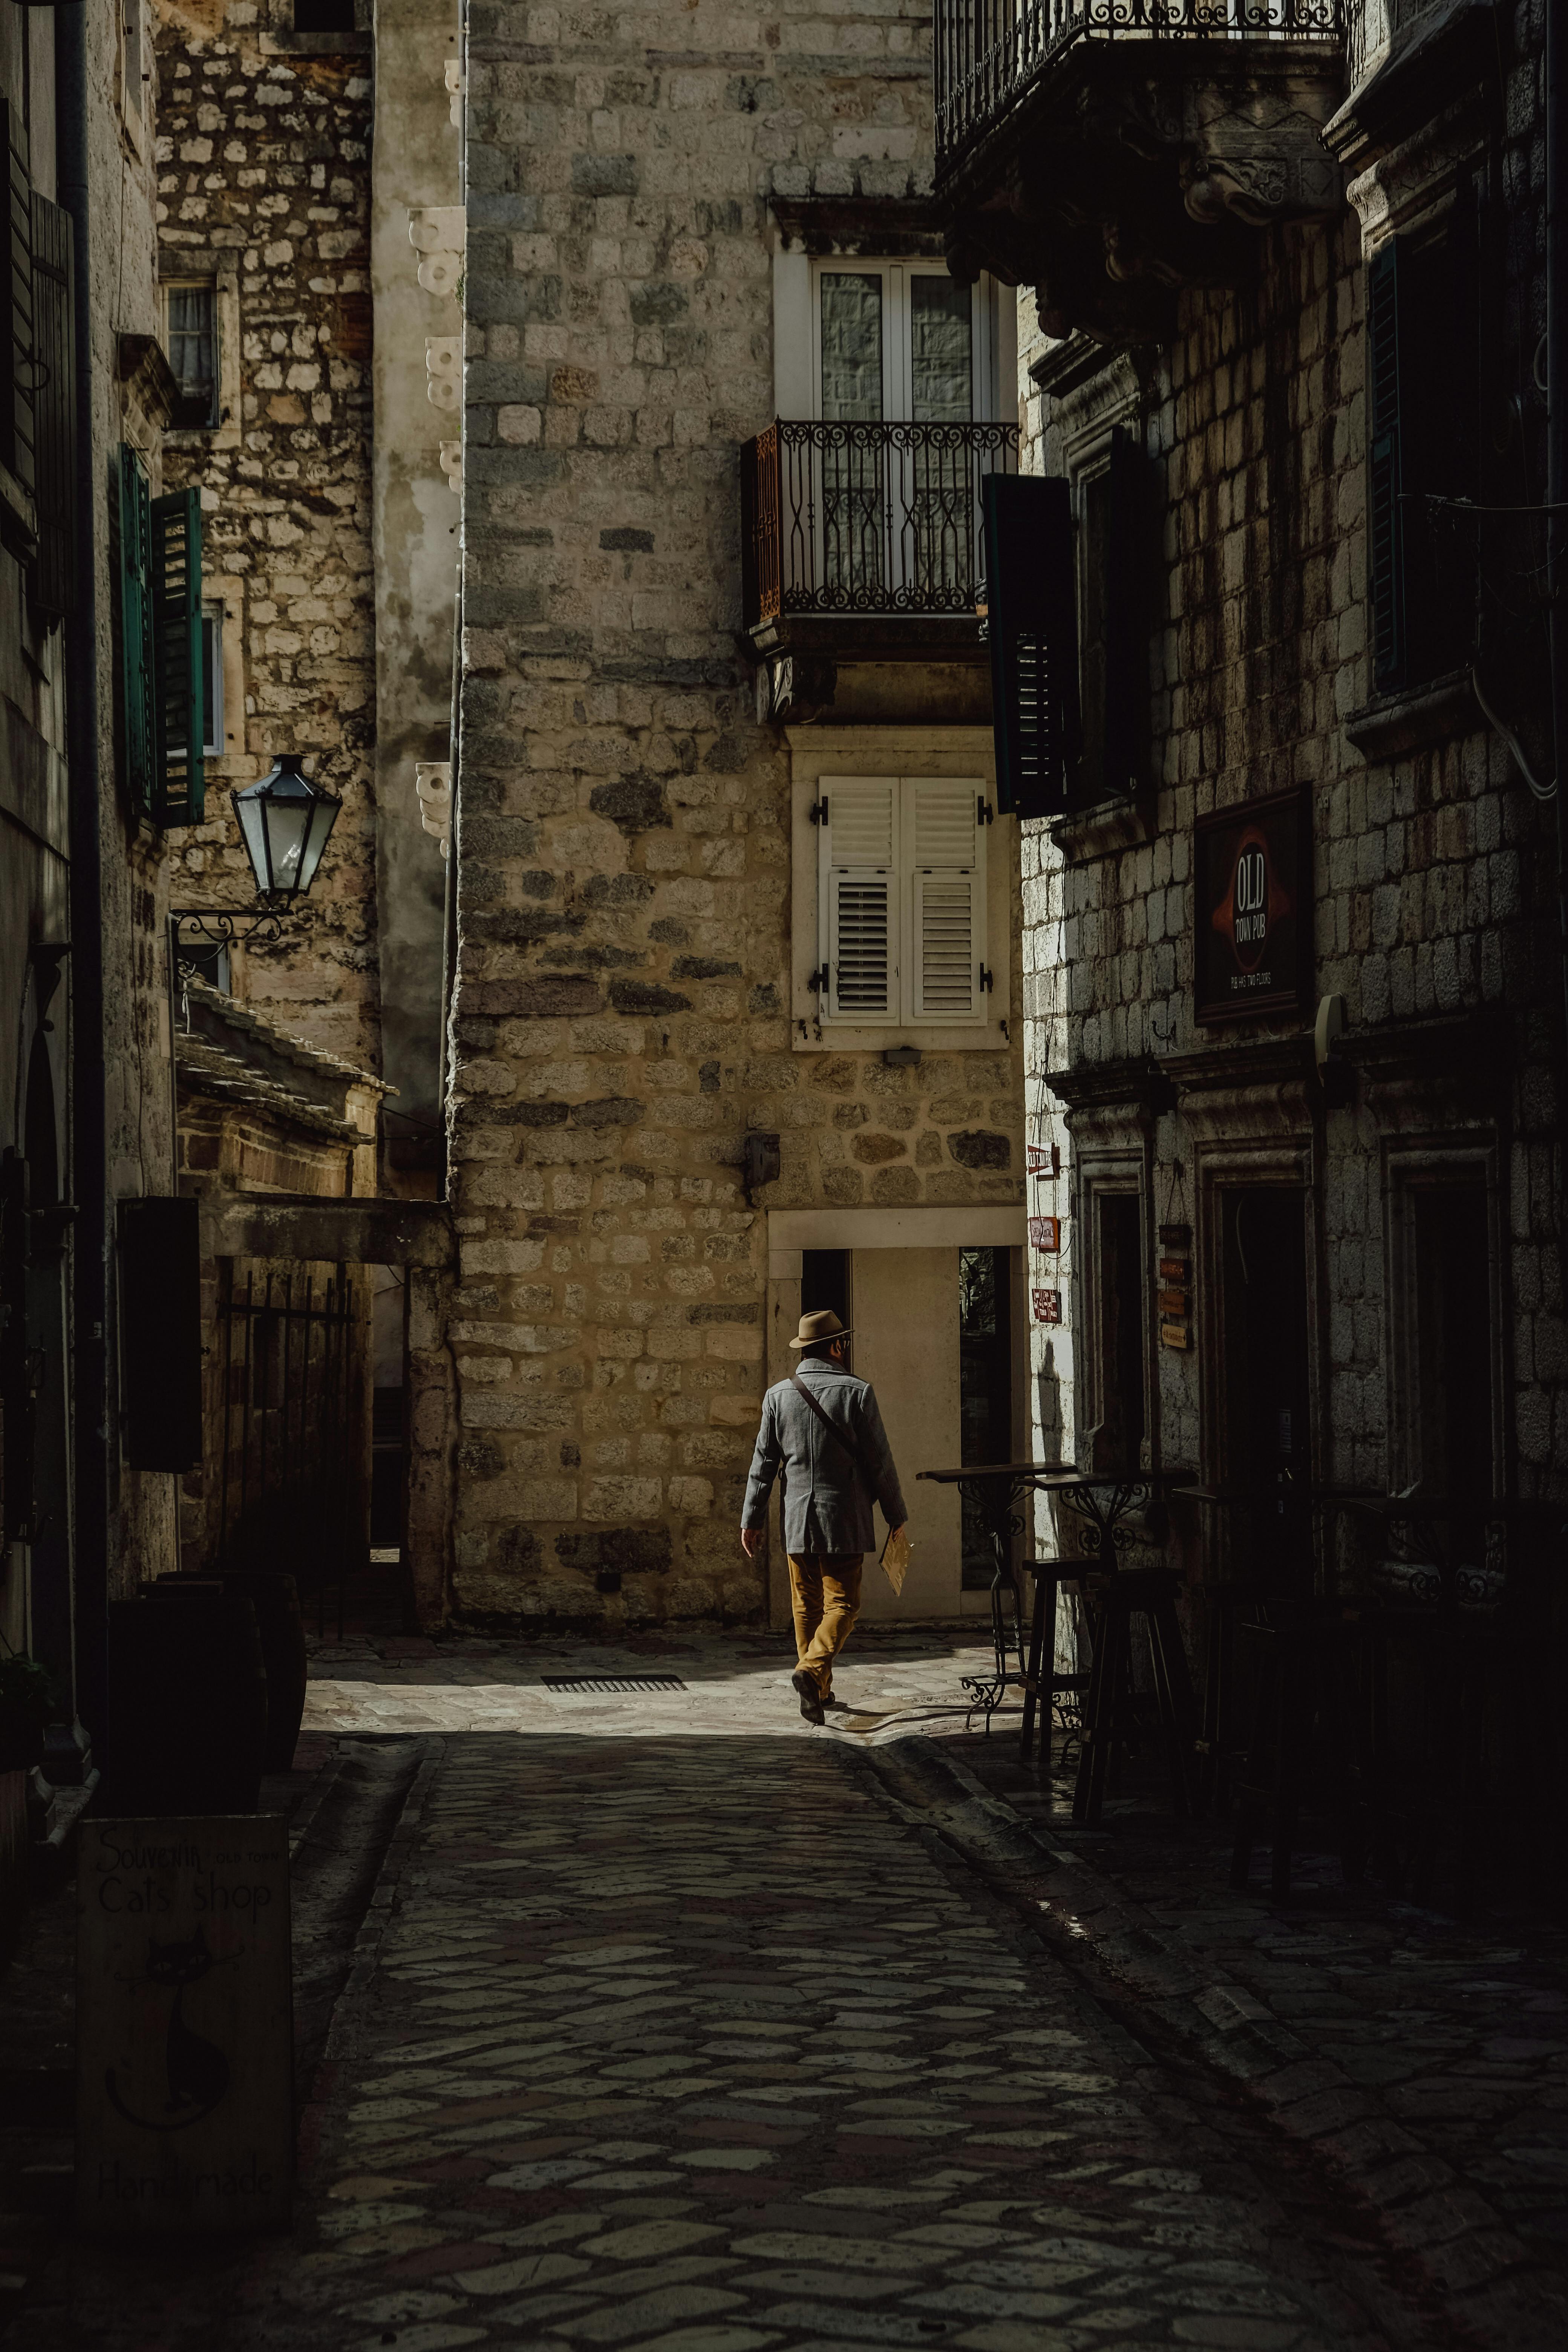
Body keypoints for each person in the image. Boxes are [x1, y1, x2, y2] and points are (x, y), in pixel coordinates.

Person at [740, 1308, 908, 1725]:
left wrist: (751, 1519)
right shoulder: (857, 1393)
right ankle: (811, 1671)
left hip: (796, 1517)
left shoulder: (777, 1395)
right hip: (844, 1518)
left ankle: (818, 1692)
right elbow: (879, 1463)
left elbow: (762, 1464)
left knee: (806, 1606)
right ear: (836, 1346)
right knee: (844, 1604)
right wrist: (896, 1514)